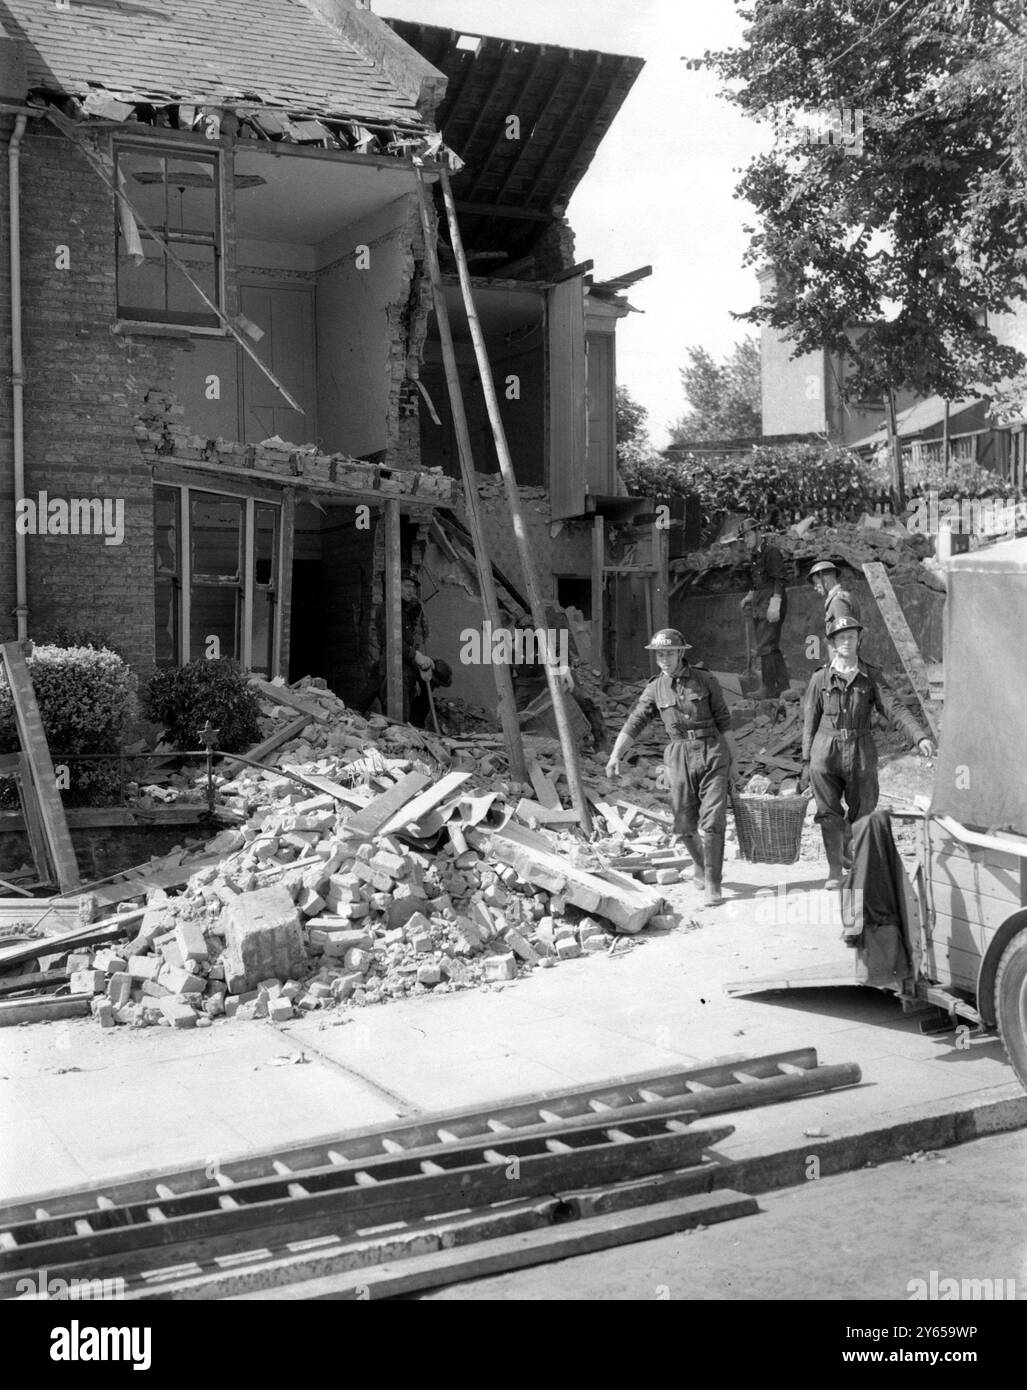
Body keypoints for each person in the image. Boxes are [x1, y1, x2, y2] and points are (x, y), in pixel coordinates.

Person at [605, 628, 737, 906]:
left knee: (712, 821)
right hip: (678, 754)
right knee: (683, 822)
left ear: (681, 653)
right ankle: (701, 864)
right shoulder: (655, 688)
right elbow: (635, 721)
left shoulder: (705, 679)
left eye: (669, 653)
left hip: (712, 749)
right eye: (659, 654)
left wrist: (733, 761)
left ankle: (713, 882)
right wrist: (616, 754)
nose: (664, 658)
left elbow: (724, 721)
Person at [800, 614, 934, 888]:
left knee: (864, 811)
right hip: (825, 751)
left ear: (859, 640)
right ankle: (835, 871)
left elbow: (894, 708)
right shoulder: (820, 678)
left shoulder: (870, 676)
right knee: (828, 813)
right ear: (833, 644)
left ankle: (857, 862)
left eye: (851, 636)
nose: (846, 641)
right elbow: (809, 722)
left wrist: (919, 736)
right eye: (841, 638)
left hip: (861, 750)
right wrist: (805, 762)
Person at [359, 567, 449, 726]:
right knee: (399, 720)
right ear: (396, 586)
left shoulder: (405, 611)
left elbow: (410, 641)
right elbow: (394, 642)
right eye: (407, 586)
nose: (411, 590)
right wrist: (417, 656)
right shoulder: (389, 610)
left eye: (413, 587)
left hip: (405, 670)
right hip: (394, 670)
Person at [722, 516, 790, 698]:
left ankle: (768, 687)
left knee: (765, 646)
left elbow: (780, 579)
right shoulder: (755, 555)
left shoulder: (771, 552)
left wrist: (775, 604)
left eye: (749, 535)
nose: (746, 540)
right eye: (744, 537)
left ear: (759, 532)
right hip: (761, 603)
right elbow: (757, 581)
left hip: (772, 602)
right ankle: (784, 687)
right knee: (771, 646)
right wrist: (749, 596)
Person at [808, 559, 861, 628]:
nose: (815, 587)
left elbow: (844, 634)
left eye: (816, 583)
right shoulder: (844, 596)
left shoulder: (837, 600)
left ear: (824, 578)